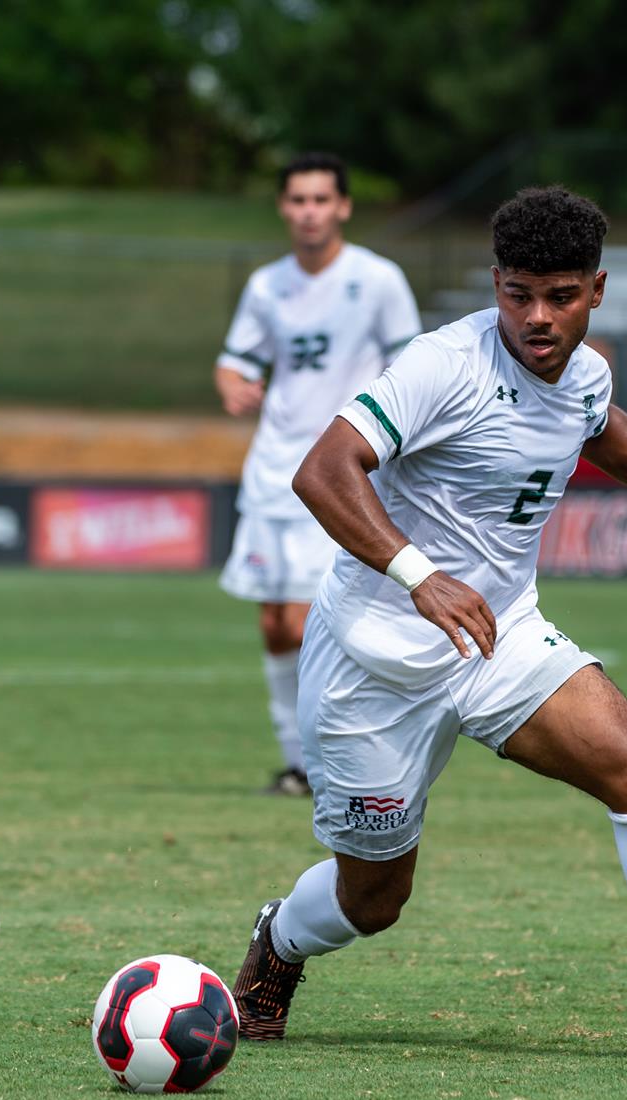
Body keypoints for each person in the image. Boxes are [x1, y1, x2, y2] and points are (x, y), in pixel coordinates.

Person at [230, 186, 627, 1061]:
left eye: (562, 295)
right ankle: (280, 942)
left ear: (597, 289)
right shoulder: (443, 365)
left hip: (500, 638)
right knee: (374, 899)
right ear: (496, 283)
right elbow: (324, 470)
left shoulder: (583, 371)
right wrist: (419, 575)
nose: (538, 317)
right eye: (519, 295)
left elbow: (598, 423)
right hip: (376, 659)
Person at [214, 152, 421, 796]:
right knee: (276, 620)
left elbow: (411, 367)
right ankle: (298, 760)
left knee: (313, 619)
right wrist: (231, 385)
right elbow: (234, 360)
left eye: (321, 200)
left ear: (343, 207)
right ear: (284, 208)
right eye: (298, 200)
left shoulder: (379, 279)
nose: (309, 212)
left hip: (342, 469)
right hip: (275, 465)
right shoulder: (266, 286)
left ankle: (332, 757)